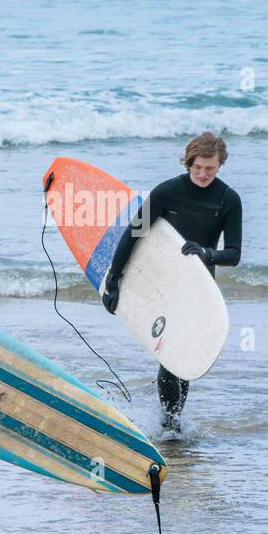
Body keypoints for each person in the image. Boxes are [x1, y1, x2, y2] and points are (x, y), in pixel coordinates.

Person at [101, 132, 242, 434]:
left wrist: (207, 253)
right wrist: (114, 279)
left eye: (211, 169)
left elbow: (233, 254)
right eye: (198, 168)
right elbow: (134, 234)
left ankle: (172, 422)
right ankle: (171, 422)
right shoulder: (167, 192)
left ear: (220, 165)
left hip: (198, 287)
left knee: (183, 354)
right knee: (169, 354)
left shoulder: (228, 200)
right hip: (161, 283)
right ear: (188, 162)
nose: (203, 174)